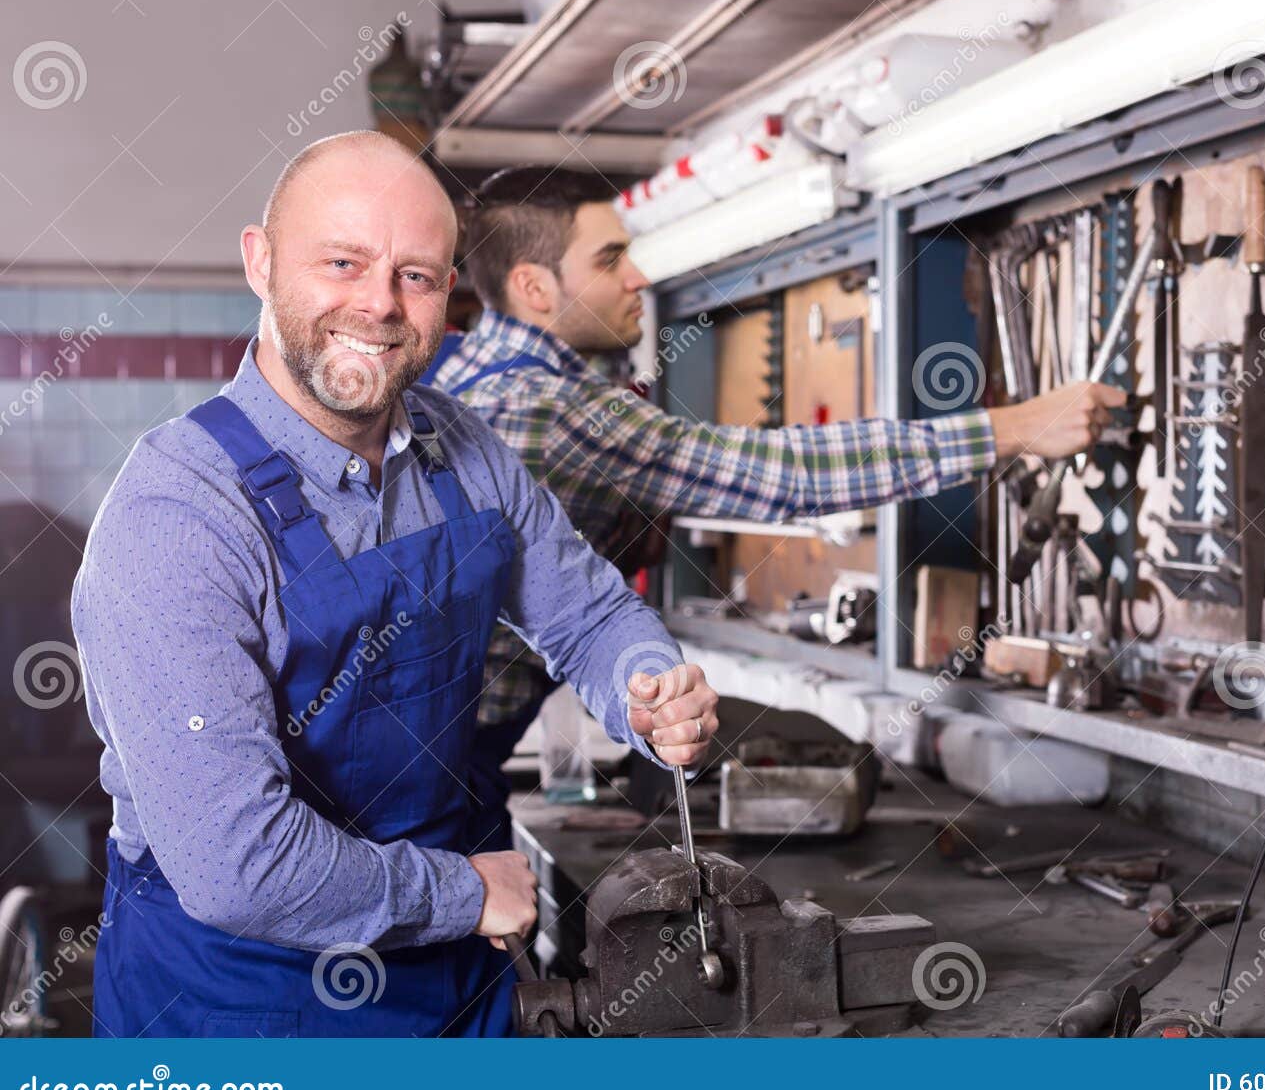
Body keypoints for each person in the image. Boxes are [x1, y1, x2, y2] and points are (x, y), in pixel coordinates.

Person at [70, 132, 717, 1038]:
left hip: (451, 978)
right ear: (260, 263)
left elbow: (592, 615)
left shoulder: (467, 449)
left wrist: (645, 688)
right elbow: (234, 863)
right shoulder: (176, 518)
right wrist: (461, 890)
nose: (378, 304)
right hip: (240, 1000)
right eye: (342, 262)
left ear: (451, 296)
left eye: (417, 276)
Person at [430, 167, 1127, 819]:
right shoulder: (555, 409)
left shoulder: (463, 379)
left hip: (441, 754)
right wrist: (1017, 428)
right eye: (610, 260)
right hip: (448, 774)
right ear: (534, 288)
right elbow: (785, 474)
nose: (638, 276)